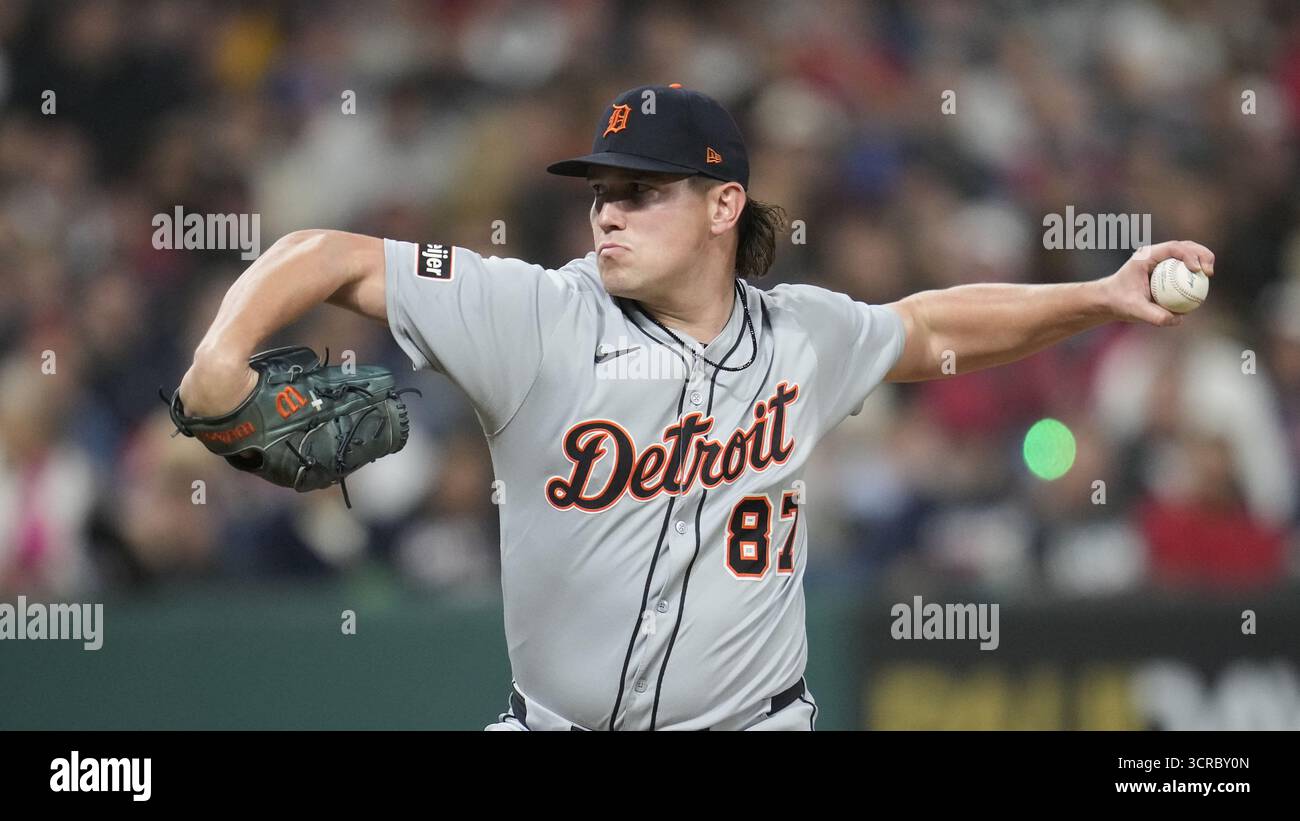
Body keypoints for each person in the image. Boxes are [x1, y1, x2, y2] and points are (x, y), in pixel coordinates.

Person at [177, 83, 1216, 730]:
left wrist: (1097, 293)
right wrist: (219, 363)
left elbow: (933, 325)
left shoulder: (803, 334)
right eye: (600, 190)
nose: (607, 211)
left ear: (725, 204)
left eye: (641, 190)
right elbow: (325, 255)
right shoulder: (530, 312)